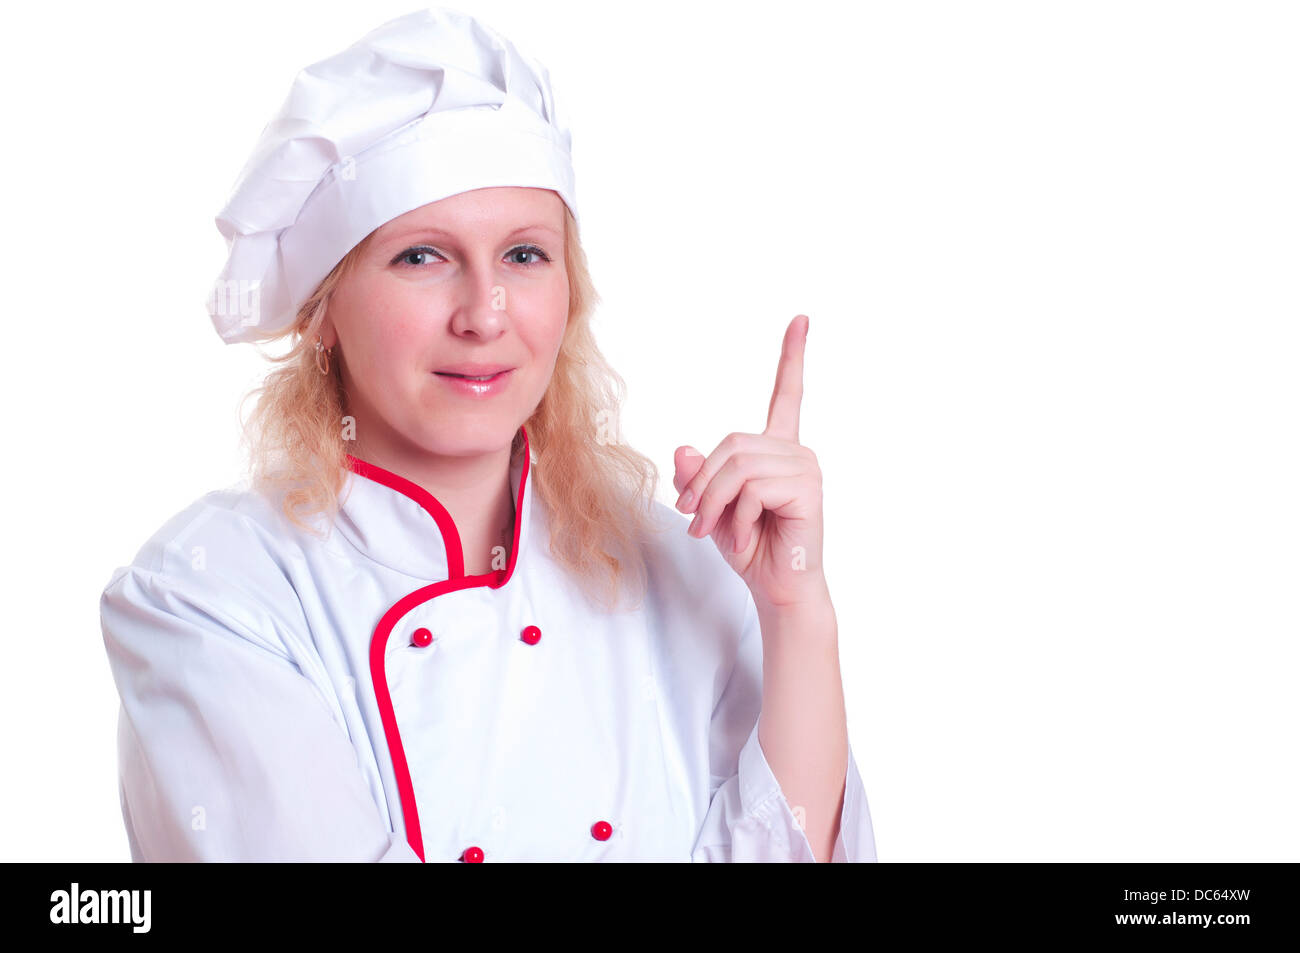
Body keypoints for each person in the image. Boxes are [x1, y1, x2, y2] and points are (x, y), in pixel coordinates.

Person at [99, 4, 878, 863]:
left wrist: (796, 611)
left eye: (524, 255)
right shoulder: (213, 595)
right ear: (322, 311)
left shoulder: (686, 559)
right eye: (421, 257)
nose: (484, 314)